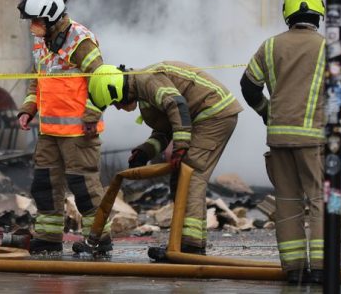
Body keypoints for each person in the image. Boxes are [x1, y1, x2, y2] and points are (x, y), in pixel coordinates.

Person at [240, 0, 341, 284]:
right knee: (322, 200)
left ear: (288, 14)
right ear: (319, 14)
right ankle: (322, 267)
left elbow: (248, 85)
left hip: (279, 139)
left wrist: (266, 112)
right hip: (315, 140)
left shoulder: (269, 46)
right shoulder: (329, 47)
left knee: (287, 201)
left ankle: (294, 269)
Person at [88, 61, 242, 260]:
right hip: (206, 115)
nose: (117, 108)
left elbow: (176, 104)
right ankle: (184, 242)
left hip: (213, 114)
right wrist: (145, 151)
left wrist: (181, 145)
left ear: (116, 90)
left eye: (114, 103)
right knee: (181, 177)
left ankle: (190, 248)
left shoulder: (146, 80)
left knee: (191, 174)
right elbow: (164, 130)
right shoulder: (143, 93)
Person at [16, 0, 111, 255]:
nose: (32, 26)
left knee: (84, 188)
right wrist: (27, 110)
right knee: (44, 186)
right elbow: (37, 82)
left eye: (36, 20)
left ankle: (99, 240)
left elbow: (102, 80)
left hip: (80, 132)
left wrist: (93, 114)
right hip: (49, 132)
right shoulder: (40, 42)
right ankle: (48, 239)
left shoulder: (81, 40)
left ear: (50, 15)